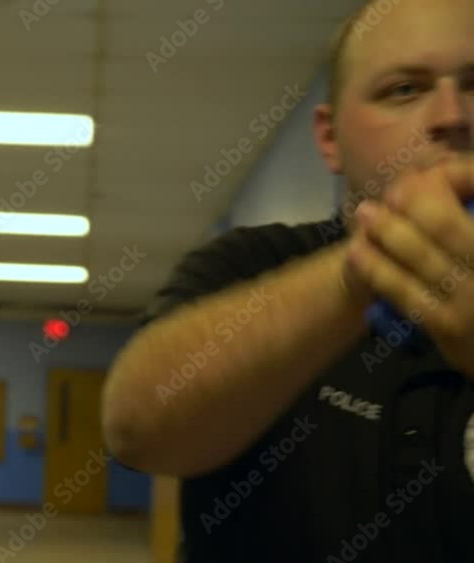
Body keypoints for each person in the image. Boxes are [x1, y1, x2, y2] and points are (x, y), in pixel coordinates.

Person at [101, 0, 473, 561]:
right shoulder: (252, 265)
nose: (452, 114)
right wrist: (364, 273)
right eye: (403, 89)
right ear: (329, 138)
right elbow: (137, 428)